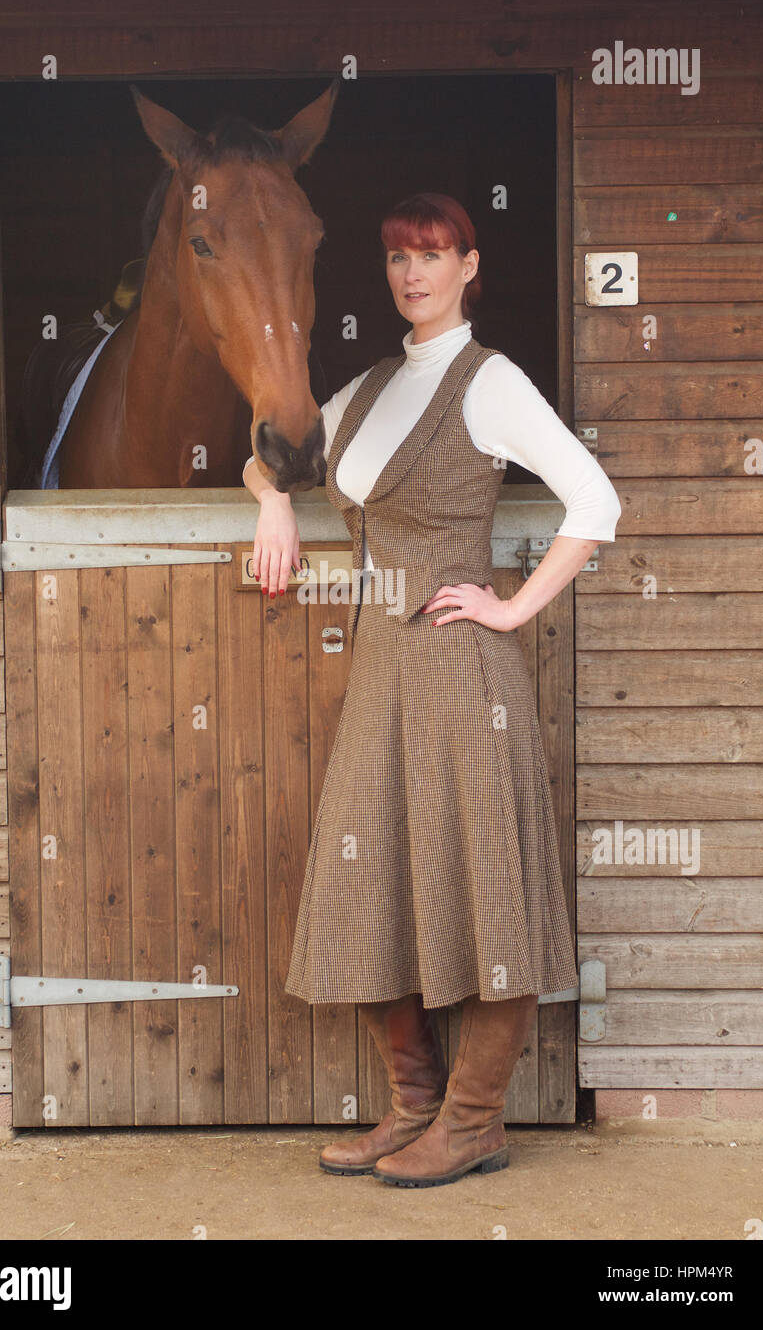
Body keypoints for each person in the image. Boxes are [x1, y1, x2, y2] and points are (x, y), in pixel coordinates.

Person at [242, 192, 621, 1188]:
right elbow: (268, 449)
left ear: (468, 264)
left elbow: (595, 497)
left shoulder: (486, 382)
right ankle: (411, 1107)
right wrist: (275, 499)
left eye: (432, 253)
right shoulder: (367, 389)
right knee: (363, 880)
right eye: (397, 256)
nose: (411, 272)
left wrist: (509, 607)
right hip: (379, 668)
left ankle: (472, 1119)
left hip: (459, 668)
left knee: (485, 883)